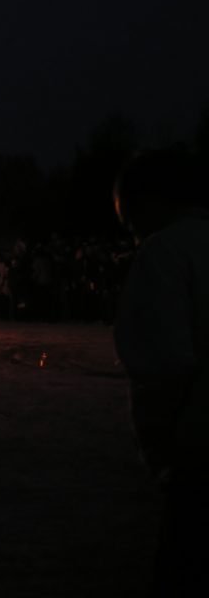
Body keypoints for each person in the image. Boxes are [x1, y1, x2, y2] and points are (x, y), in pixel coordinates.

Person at [112, 145, 209, 597]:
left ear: (149, 201)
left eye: (127, 216)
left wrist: (162, 456)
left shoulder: (166, 251)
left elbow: (162, 368)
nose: (129, 230)